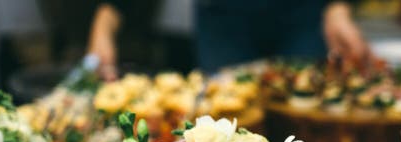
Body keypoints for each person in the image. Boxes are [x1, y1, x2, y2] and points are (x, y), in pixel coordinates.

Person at [87, 0, 372, 79]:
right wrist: (106, 19)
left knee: (307, 127)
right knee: (225, 138)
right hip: (223, 16)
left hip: (303, 14)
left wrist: (339, 6)